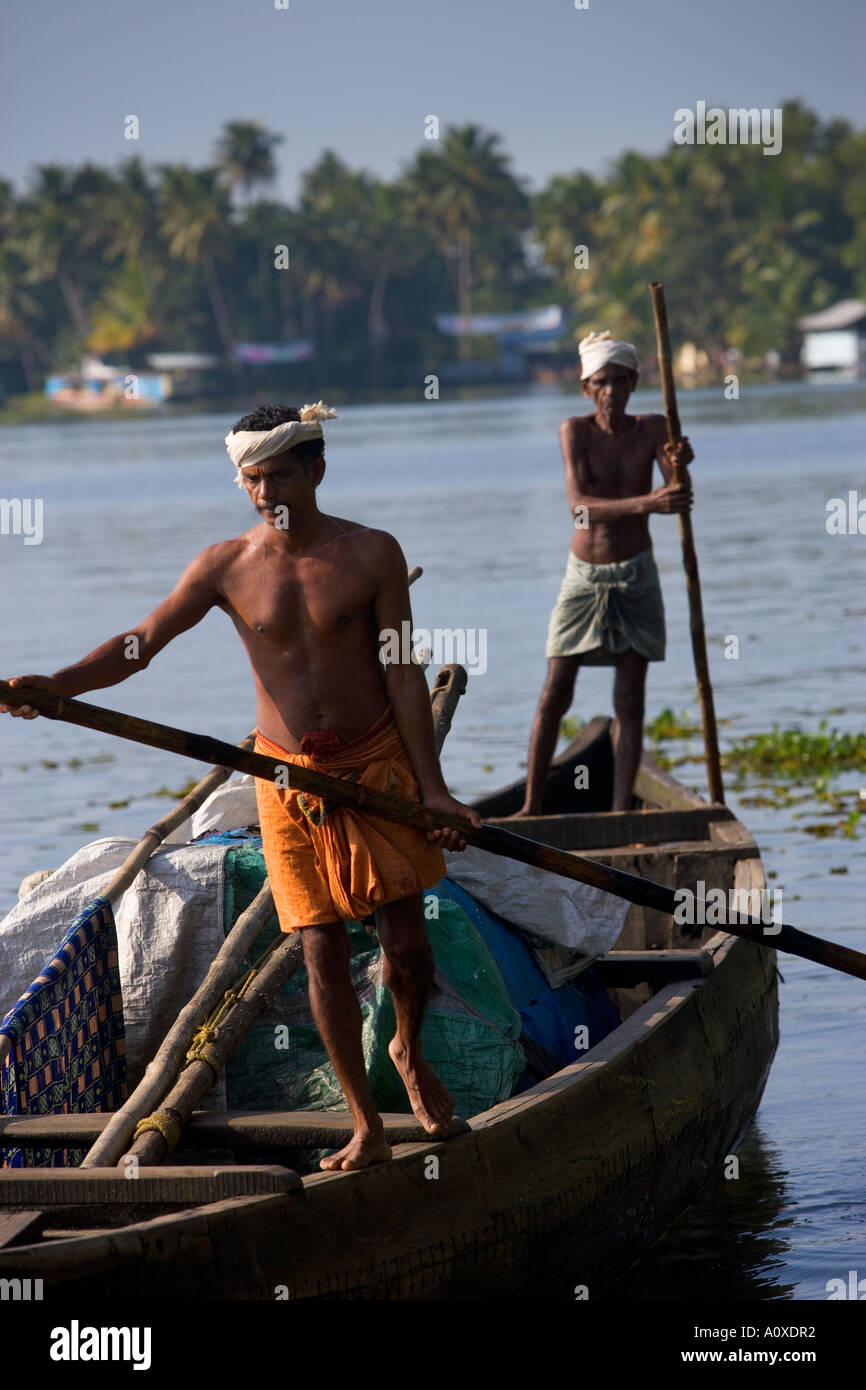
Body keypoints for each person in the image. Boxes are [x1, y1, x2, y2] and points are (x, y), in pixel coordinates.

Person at [1, 401, 481, 1171]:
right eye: (251, 479)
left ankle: (410, 1050)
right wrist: (58, 685)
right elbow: (140, 644)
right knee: (319, 946)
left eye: (278, 475)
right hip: (285, 779)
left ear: (316, 470)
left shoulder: (372, 555)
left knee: (406, 944)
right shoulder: (225, 565)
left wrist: (434, 788)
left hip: (376, 762)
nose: (264, 492)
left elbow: (401, 665)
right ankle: (366, 1123)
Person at [513, 332, 694, 816]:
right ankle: (531, 806)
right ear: (586, 388)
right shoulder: (575, 431)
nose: (611, 390)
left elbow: (676, 495)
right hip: (585, 575)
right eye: (601, 382)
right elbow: (580, 510)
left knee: (630, 697)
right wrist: (647, 503)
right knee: (556, 689)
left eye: (619, 380)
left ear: (634, 382)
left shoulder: (654, 427)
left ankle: (618, 811)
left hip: (637, 573)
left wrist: (680, 467)